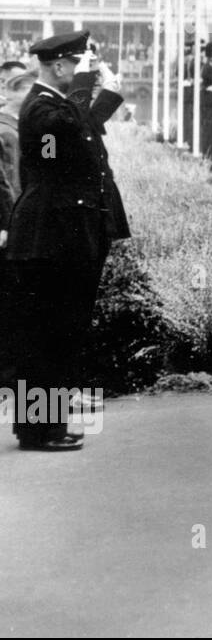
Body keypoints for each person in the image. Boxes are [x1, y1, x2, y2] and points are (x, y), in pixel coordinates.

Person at [2, 32, 129, 450]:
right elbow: (59, 154)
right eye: (80, 67)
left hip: (64, 235)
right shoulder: (42, 109)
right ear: (60, 67)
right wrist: (93, 95)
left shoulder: (58, 107)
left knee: (60, 332)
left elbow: (81, 130)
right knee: (45, 336)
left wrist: (101, 96)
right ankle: (40, 430)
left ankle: (44, 426)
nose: (86, 75)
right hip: (48, 237)